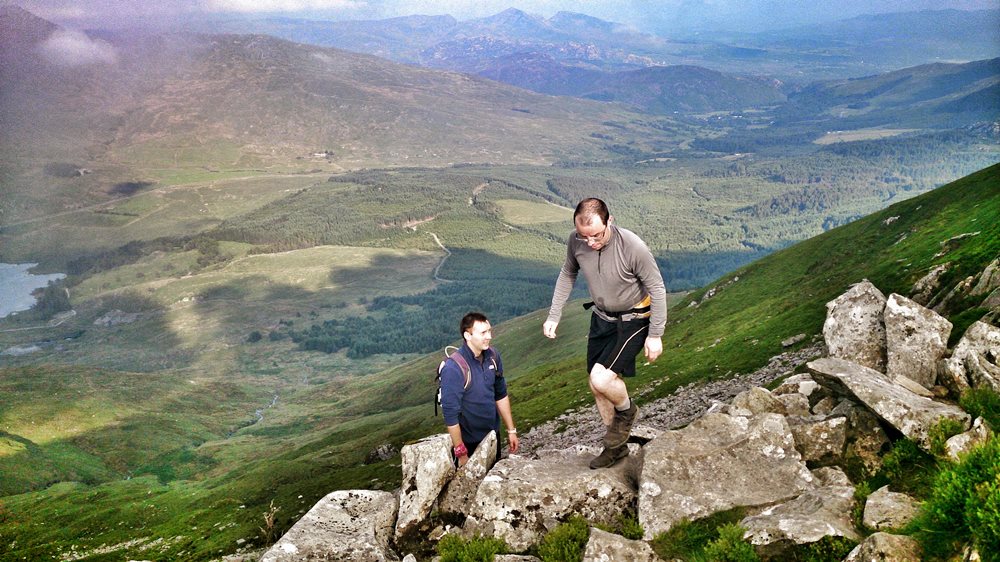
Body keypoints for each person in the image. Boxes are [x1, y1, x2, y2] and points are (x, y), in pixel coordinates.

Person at [543, 198, 666, 469]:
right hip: (601, 319)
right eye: (583, 236)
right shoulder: (576, 241)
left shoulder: (632, 246)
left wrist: (655, 334)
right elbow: (568, 273)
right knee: (596, 385)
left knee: (601, 379)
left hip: (634, 319)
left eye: (596, 235)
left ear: (610, 221)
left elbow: (657, 288)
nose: (589, 242)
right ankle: (616, 448)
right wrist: (554, 314)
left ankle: (627, 411)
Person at [440, 312, 519, 467]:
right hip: (468, 443)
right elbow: (450, 414)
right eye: (483, 333)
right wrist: (461, 453)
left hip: (492, 437)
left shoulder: (493, 356)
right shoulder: (454, 368)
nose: (489, 336)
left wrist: (511, 431)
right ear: (467, 335)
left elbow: (500, 394)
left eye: (489, 331)